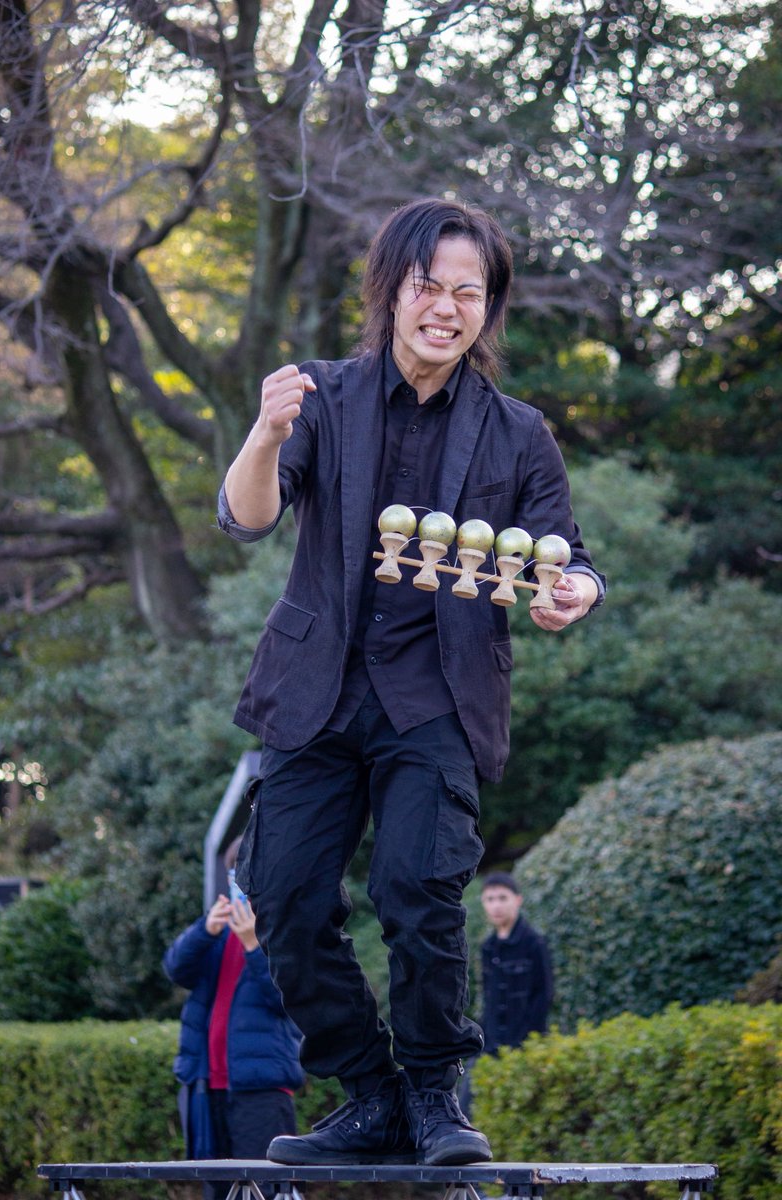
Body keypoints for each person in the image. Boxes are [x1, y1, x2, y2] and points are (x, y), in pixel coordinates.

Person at [217, 197, 605, 1167]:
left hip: (436, 698)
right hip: (313, 692)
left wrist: (572, 594)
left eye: (466, 291)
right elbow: (246, 515)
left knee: (418, 890)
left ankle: (435, 1094)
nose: (445, 305)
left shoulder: (518, 434)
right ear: (389, 289)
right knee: (287, 896)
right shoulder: (322, 396)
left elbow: (577, 560)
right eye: (427, 285)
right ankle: (368, 1094)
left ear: (486, 309)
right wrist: (264, 435)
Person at [163, 839, 303, 1189]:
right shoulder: (216, 928)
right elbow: (176, 969)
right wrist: (204, 931)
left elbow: (289, 999)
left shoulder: (287, 929)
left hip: (262, 1090)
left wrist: (254, 946)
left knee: (266, 1188)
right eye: (234, 873)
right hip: (206, 1087)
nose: (241, 883)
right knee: (217, 1187)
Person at [459, 873, 553, 1119]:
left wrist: (528, 1039)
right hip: (490, 1041)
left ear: (517, 900)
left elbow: (543, 996)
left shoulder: (534, 943)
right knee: (465, 1104)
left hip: (524, 1042)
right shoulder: (488, 946)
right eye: (490, 899)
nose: (496, 905)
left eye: (503, 898)